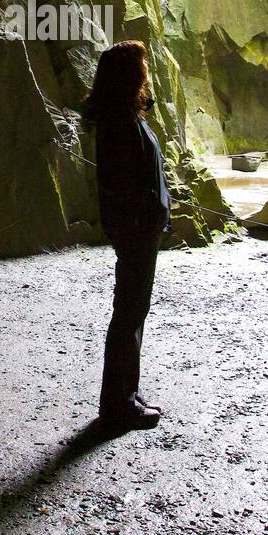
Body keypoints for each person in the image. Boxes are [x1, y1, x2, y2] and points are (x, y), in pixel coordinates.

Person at [81, 40, 171, 430]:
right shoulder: (118, 121)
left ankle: (126, 393)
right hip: (136, 229)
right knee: (129, 312)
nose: (147, 72)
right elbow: (121, 182)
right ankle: (119, 404)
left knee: (133, 311)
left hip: (139, 227)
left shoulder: (124, 115)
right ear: (129, 75)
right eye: (142, 67)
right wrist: (143, 216)